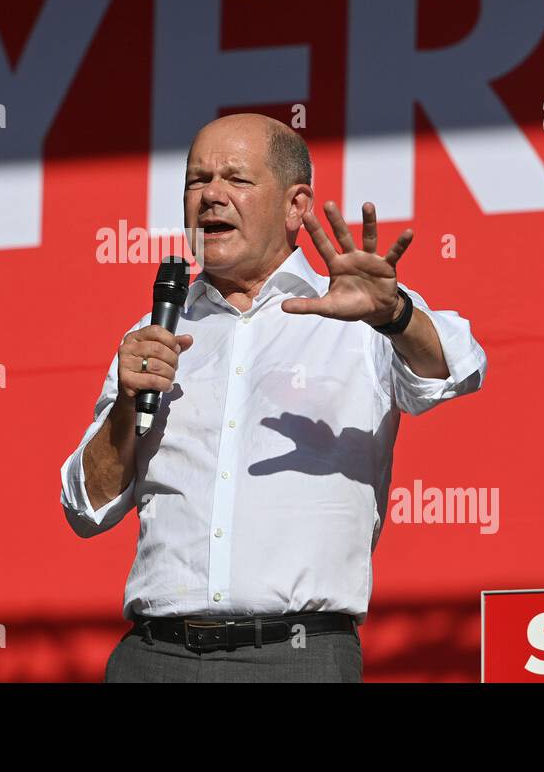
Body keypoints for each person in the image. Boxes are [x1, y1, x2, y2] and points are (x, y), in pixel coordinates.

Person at [59, 113, 487, 681]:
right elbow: (86, 508)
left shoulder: (356, 313)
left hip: (296, 656)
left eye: (236, 179)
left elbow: (457, 367)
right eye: (196, 180)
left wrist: (396, 314)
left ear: (295, 206)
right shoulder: (155, 334)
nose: (211, 196)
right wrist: (124, 408)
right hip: (154, 656)